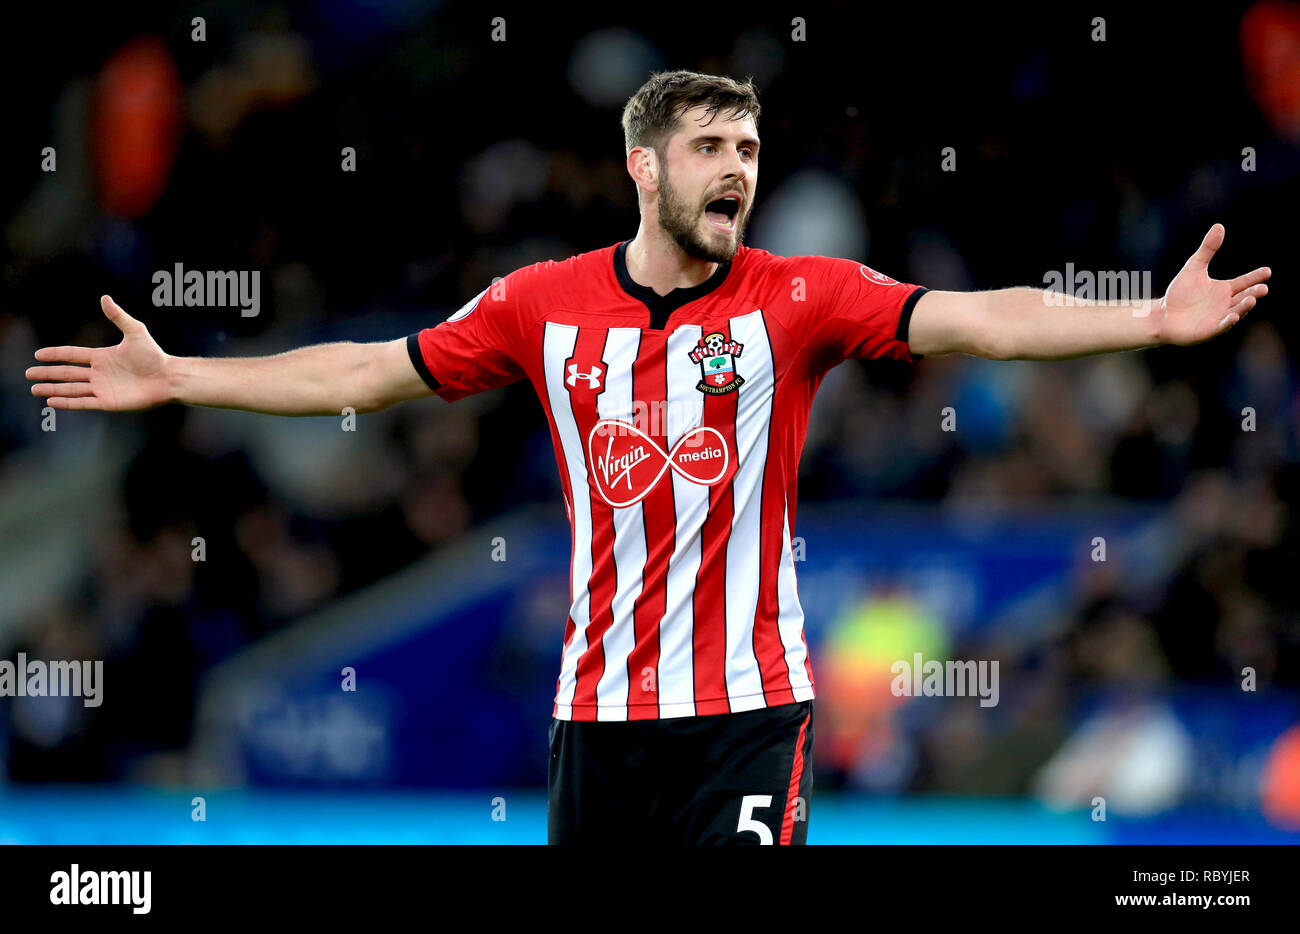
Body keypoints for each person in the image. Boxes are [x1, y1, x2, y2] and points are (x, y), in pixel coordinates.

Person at [27, 70, 1271, 844]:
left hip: (747, 708)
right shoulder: (539, 303)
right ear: (643, 167)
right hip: (599, 718)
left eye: (748, 149)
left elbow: (981, 316)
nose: (738, 169)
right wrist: (187, 375)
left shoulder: (802, 295)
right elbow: (367, 369)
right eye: (710, 149)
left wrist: (1146, 317)